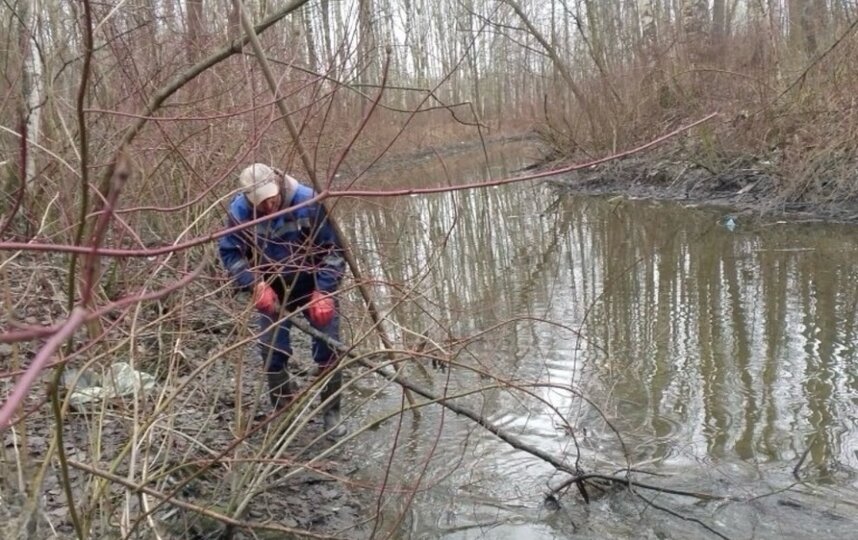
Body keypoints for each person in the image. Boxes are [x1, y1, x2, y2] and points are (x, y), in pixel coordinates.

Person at [218, 163, 347, 439]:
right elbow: (231, 255)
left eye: (271, 198)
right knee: (271, 351)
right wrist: (254, 283)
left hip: (313, 283)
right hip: (272, 289)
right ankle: (283, 408)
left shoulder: (308, 201)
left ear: (278, 185)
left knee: (329, 347)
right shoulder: (239, 213)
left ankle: (332, 412)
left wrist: (324, 290)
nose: (269, 206)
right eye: (260, 203)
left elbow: (336, 250)